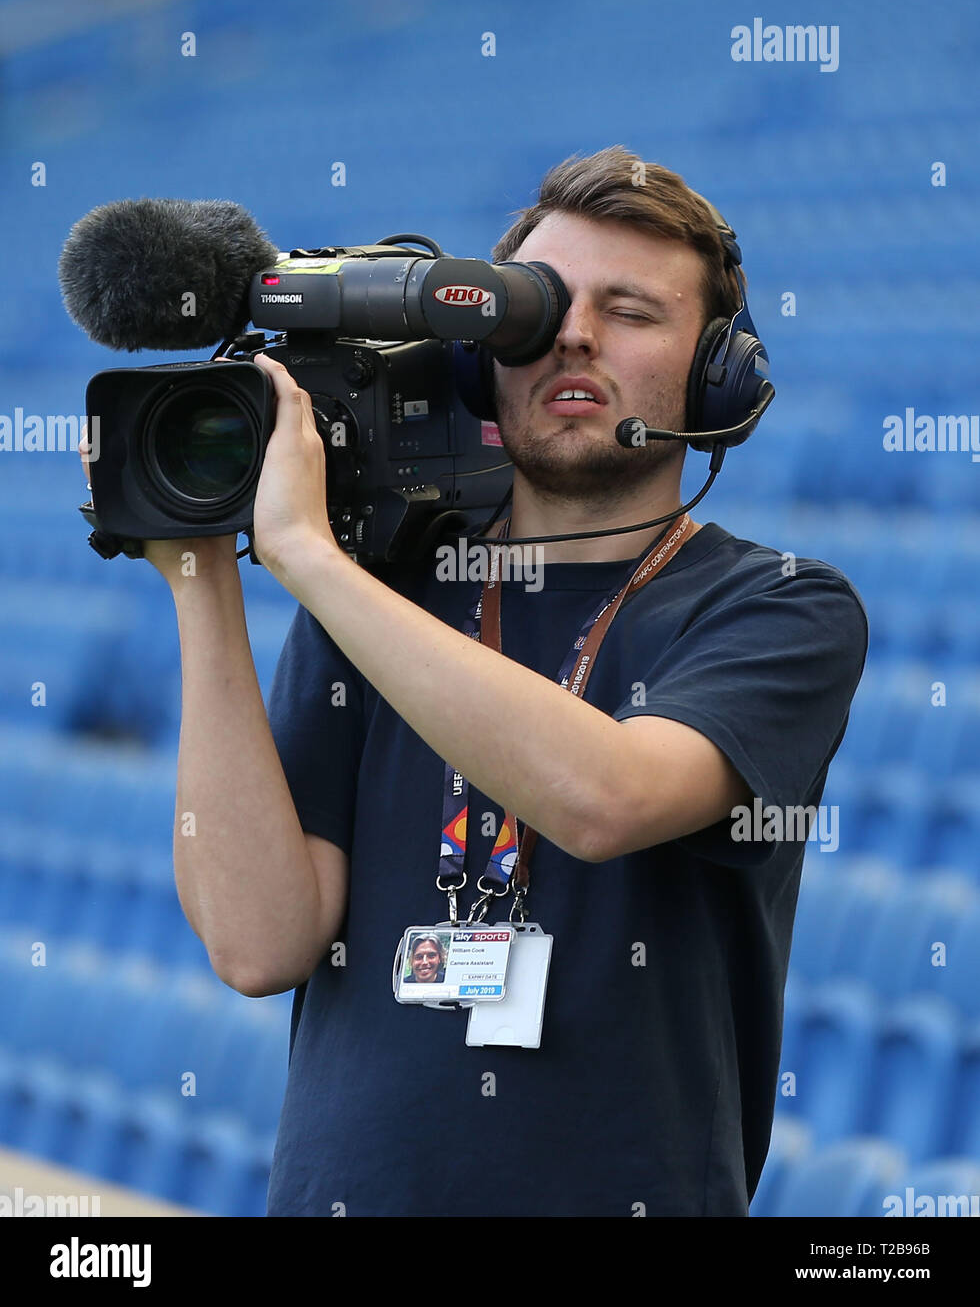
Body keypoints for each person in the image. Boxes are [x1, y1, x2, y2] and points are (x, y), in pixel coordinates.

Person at [103, 147, 867, 1217]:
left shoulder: (777, 606)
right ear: (477, 360)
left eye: (630, 310)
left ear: (716, 374)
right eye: (538, 308)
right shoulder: (380, 599)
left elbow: (604, 798)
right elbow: (256, 939)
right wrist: (201, 579)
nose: (573, 334)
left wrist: (313, 562)